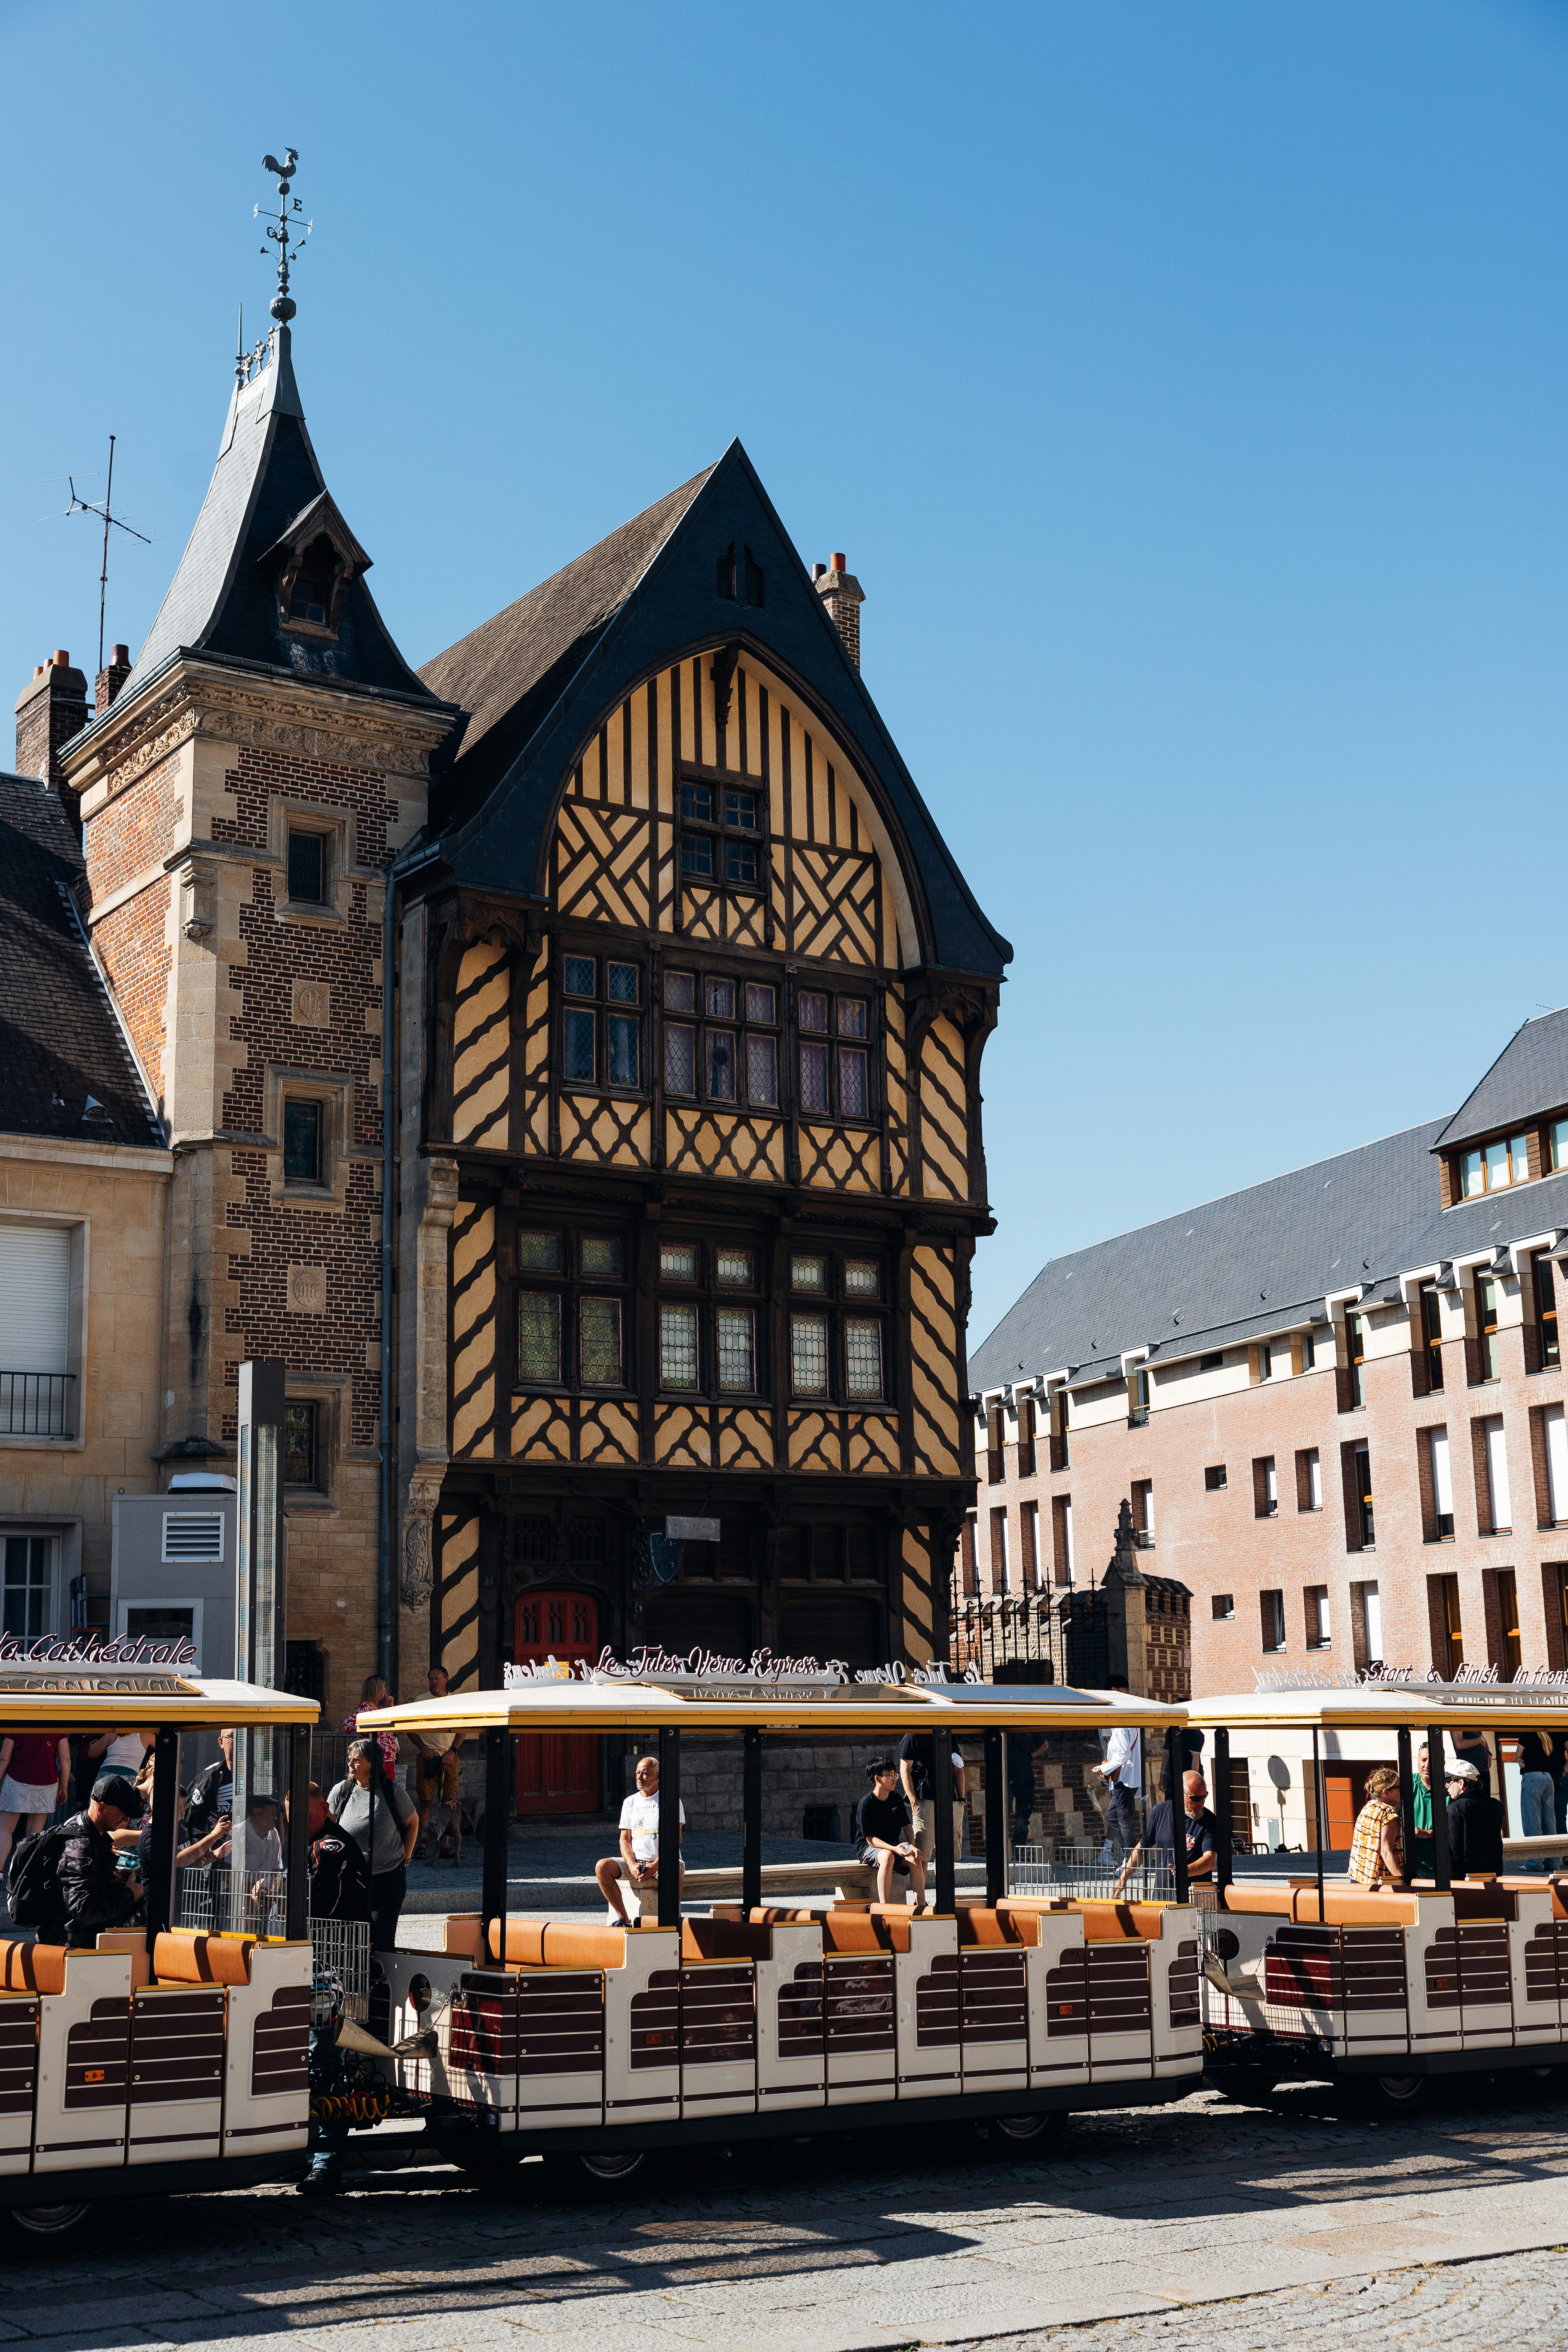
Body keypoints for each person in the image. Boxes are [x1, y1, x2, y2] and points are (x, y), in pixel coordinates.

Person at [327, 1738, 418, 1949]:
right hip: (351, 1882)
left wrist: (406, 1857)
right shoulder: (342, 1791)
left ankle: (381, 1981)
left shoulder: (392, 1791)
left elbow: (413, 1822)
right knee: (349, 1943)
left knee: (382, 1942)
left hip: (387, 1880)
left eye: (356, 1759)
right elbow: (327, 1828)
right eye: (349, 1758)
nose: (350, 1763)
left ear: (373, 1763)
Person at [45, 1774, 145, 1948]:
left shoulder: (90, 1831)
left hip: (79, 1943)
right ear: (102, 1808)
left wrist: (115, 1875)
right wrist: (130, 1896)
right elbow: (84, 1910)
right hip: (71, 1947)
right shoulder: (82, 1846)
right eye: (122, 1813)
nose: (127, 1820)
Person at [596, 1753, 683, 1925]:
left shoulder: (670, 1801)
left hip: (664, 1861)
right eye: (638, 1773)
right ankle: (623, 1919)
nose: (640, 1777)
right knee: (603, 1867)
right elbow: (625, 1840)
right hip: (637, 1863)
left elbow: (675, 1840)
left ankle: (674, 1919)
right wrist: (632, 1864)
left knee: (672, 1868)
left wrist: (654, 1866)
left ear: (657, 1776)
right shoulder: (630, 1802)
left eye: (645, 1774)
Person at [1114, 1769, 1216, 1896]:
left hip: (1195, 1897)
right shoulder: (1159, 1812)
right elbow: (1141, 1848)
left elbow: (1210, 1860)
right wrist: (1124, 1877)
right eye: (1196, 1798)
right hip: (1163, 1895)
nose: (1201, 1803)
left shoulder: (1209, 1820)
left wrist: (1186, 1871)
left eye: (1204, 1797)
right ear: (1180, 1793)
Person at [408, 1667, 466, 1863]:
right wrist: (423, 1748)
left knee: (448, 1803)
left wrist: (453, 1751)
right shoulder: (421, 1700)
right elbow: (410, 1729)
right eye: (431, 1678)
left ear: (446, 1680)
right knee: (425, 1802)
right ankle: (422, 1845)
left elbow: (462, 1730)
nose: (433, 1681)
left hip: (449, 1758)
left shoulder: (454, 1701)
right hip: (427, 1758)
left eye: (437, 1678)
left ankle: (445, 1846)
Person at [853, 1756, 926, 1908]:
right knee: (888, 1857)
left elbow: (907, 1826)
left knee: (915, 1858)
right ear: (878, 1779)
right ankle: (884, 1907)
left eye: (895, 1775)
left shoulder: (896, 1797)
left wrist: (912, 1847)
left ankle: (922, 1906)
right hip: (869, 1847)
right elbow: (870, 1839)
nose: (894, 1779)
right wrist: (894, 1849)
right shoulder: (866, 1804)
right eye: (890, 1775)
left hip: (894, 1845)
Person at [0, 1730, 70, 1883]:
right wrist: (63, 1787)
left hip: (16, 1779)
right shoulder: (57, 1727)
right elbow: (65, 1760)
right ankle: (26, 1874)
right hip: (47, 1782)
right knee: (34, 1833)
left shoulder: (18, 1723)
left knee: (6, 1828)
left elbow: (4, 1758)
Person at [897, 1732, 967, 1868]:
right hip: (924, 1800)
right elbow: (904, 1770)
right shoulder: (913, 1735)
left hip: (950, 1801)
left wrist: (962, 1800)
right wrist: (913, 1800)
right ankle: (921, 1890)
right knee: (921, 1855)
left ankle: (946, 1890)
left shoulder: (947, 1733)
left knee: (947, 1854)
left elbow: (958, 1769)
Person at [1095, 1697, 1142, 1860]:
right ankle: (1132, 1858)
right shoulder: (1129, 1725)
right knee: (1114, 1817)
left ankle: (1133, 1861)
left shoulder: (1122, 1726)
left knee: (1123, 1819)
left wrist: (1104, 1768)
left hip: (1125, 1779)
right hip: (1127, 1778)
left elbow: (1123, 1754)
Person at [1445, 1758, 1504, 1877]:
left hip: (1468, 1880)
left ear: (1461, 1783)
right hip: (1494, 1876)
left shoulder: (1454, 1810)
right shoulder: (1496, 1806)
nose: (1447, 1786)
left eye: (1449, 1782)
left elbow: (1454, 1853)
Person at [1348, 1764, 1405, 1887]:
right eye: (1400, 1788)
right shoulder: (1388, 1814)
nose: (1403, 1791)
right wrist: (1403, 1883)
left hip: (1358, 1878)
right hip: (1378, 1884)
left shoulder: (1368, 1808)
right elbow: (1386, 1852)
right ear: (1387, 1793)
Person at [182, 1729, 235, 1841]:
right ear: (221, 1742)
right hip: (214, 1846)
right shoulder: (211, 1776)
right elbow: (189, 1815)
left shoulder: (256, 1776)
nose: (239, 1742)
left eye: (242, 1737)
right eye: (233, 1736)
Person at [343, 1675, 400, 1779]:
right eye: (383, 1686)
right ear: (376, 1689)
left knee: (388, 1787)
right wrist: (366, 1730)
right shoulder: (365, 1708)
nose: (386, 1689)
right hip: (375, 1758)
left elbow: (398, 1728)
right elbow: (347, 1724)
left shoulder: (381, 1707)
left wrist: (391, 1707)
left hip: (387, 1757)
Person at [1518, 1730, 1556, 1865]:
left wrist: (1519, 1760)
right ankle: (1553, 1862)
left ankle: (1535, 1862)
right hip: (1548, 1778)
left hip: (1532, 1778)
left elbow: (1518, 1755)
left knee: (1532, 1822)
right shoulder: (1547, 1737)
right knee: (1550, 1823)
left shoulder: (1526, 1734)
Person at [1008, 1732, 1046, 1849]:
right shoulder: (1004, 1726)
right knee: (1002, 1818)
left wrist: (1030, 1756)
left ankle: (1018, 1854)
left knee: (1022, 1821)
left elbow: (1044, 1744)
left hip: (1025, 1778)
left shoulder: (1028, 1727)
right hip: (1008, 1777)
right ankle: (1004, 1854)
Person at [1410, 1744, 1434, 1877]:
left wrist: (1429, 1834)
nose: (1427, 1765)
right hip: (1413, 1866)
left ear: (1442, 1763)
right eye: (1424, 1760)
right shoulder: (1406, 1784)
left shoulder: (1450, 1788)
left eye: (1432, 1760)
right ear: (1418, 1761)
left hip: (1442, 1867)